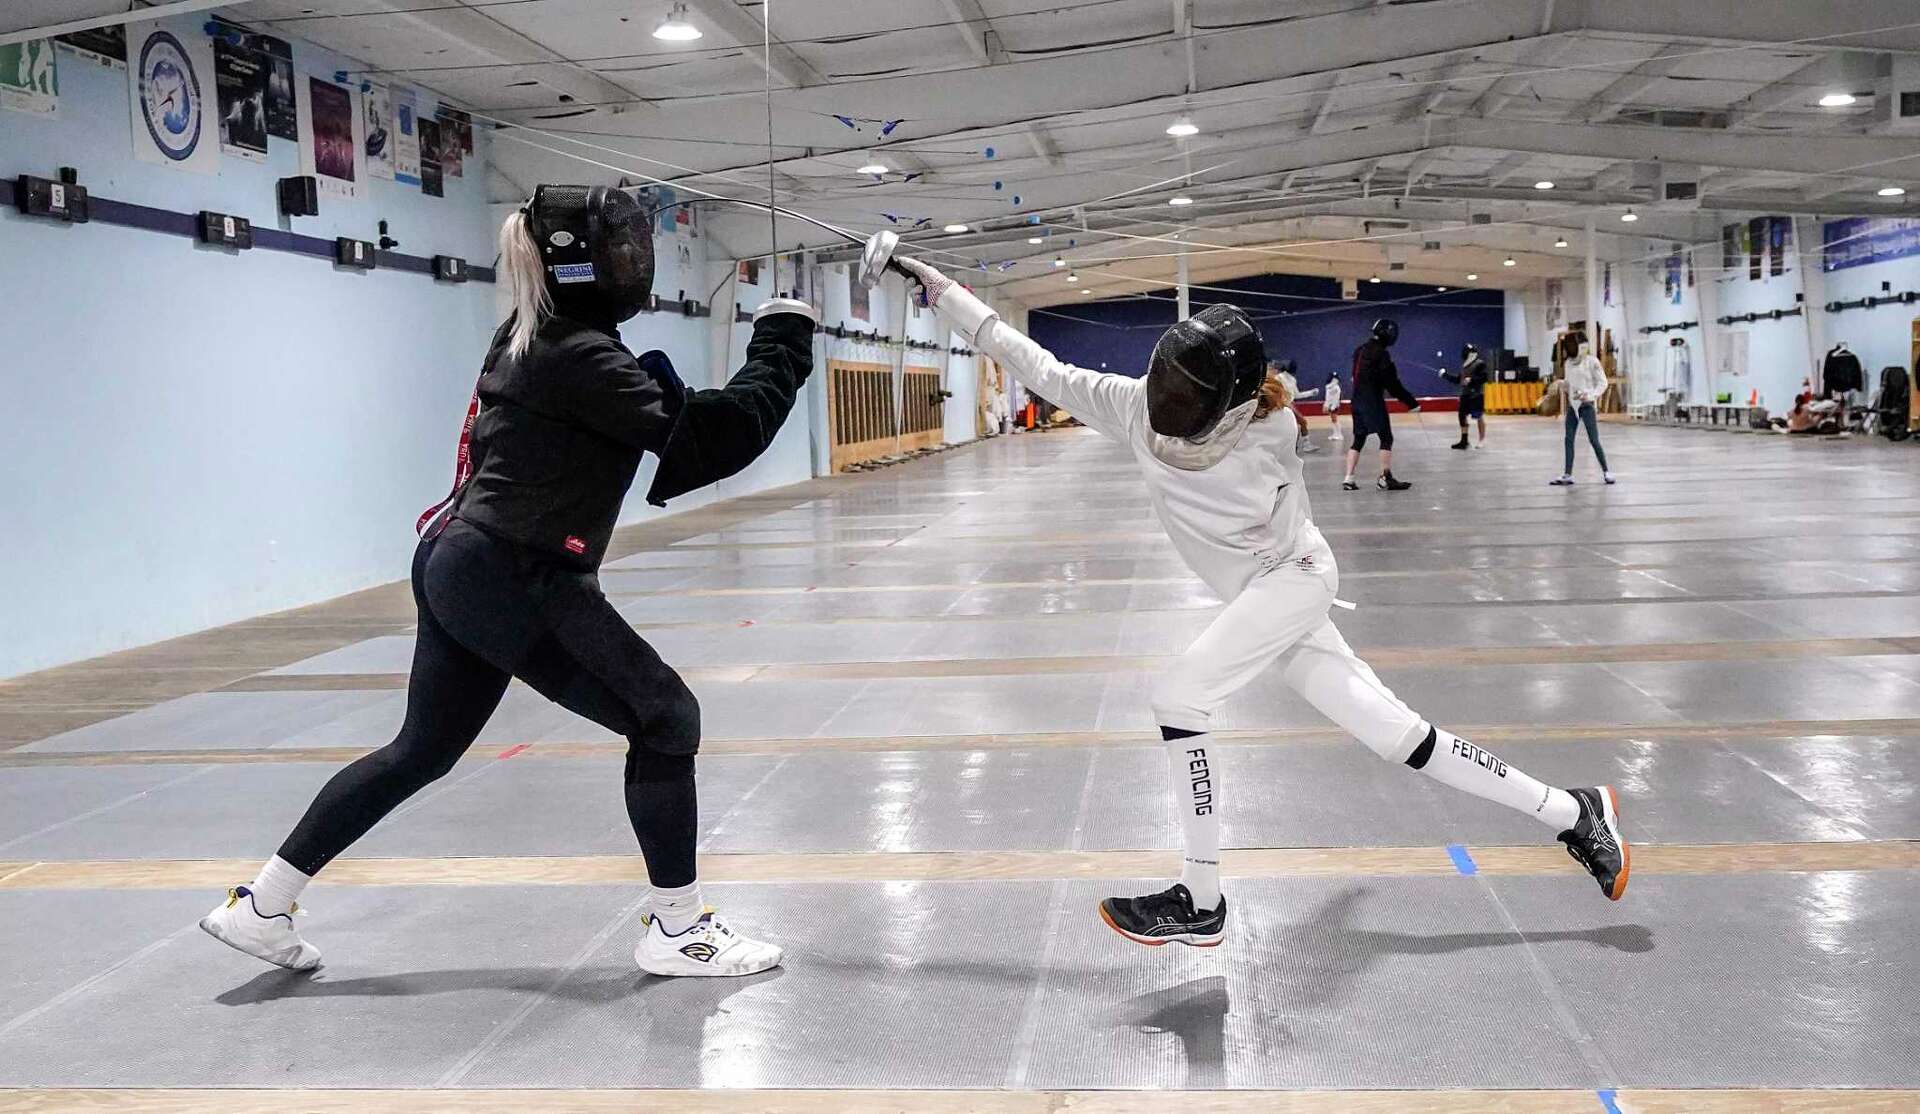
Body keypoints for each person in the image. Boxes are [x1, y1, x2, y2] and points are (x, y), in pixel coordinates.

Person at [895, 255, 1631, 948]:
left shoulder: (1272, 431)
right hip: (1266, 596)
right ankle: (1575, 811)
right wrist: (944, 293)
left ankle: (1202, 899)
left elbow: (1245, 452)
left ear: (1234, 401)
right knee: (1398, 737)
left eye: (1188, 395)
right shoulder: (1135, 409)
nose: (1169, 408)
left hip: (1296, 580)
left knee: (1180, 694)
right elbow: (1038, 365)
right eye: (1167, 388)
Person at [200, 186, 817, 978]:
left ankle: (263, 907)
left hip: (459, 558)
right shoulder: (578, 355)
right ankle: (677, 928)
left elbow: (679, 424)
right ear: (585, 262)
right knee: (666, 717)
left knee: (420, 750)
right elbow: (711, 439)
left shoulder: (536, 335)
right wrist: (783, 343)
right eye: (622, 247)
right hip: (513, 569)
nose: (636, 261)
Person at [1342, 318, 1417, 491]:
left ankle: (1349, 478)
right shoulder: (1381, 354)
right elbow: (1391, 383)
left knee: (1358, 439)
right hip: (1373, 401)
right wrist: (1410, 402)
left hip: (1357, 400)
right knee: (1386, 438)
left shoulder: (1360, 350)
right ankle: (1385, 478)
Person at [1552, 333, 1615, 486]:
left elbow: (1603, 383)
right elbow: (1570, 384)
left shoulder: (1592, 362)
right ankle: (1568, 475)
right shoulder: (1568, 363)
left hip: (1587, 406)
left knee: (1594, 440)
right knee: (1568, 439)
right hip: (1573, 407)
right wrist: (1560, 384)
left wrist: (1591, 395)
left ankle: (1606, 472)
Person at [1442, 343, 1490, 450]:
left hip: (1476, 395)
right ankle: (1464, 441)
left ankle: (1481, 440)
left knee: (1478, 416)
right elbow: (1459, 380)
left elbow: (1484, 378)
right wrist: (1445, 375)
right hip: (1465, 395)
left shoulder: (1480, 364)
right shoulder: (1465, 366)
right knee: (1462, 416)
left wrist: (1472, 380)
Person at [1272, 359, 1320, 454]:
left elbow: (1297, 395)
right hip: (1283, 405)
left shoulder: (1292, 379)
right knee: (1301, 422)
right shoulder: (1279, 378)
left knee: (1296, 425)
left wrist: (1311, 393)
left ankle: (1297, 447)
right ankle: (1298, 446)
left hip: (1290, 404)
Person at [1323, 371, 1344, 443]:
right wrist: (1326, 405)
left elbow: (1336, 398)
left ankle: (1339, 434)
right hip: (1330, 405)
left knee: (1335, 419)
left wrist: (1333, 407)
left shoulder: (1336, 388)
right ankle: (1335, 434)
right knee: (1333, 420)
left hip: (1334, 406)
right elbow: (1328, 397)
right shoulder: (1329, 387)